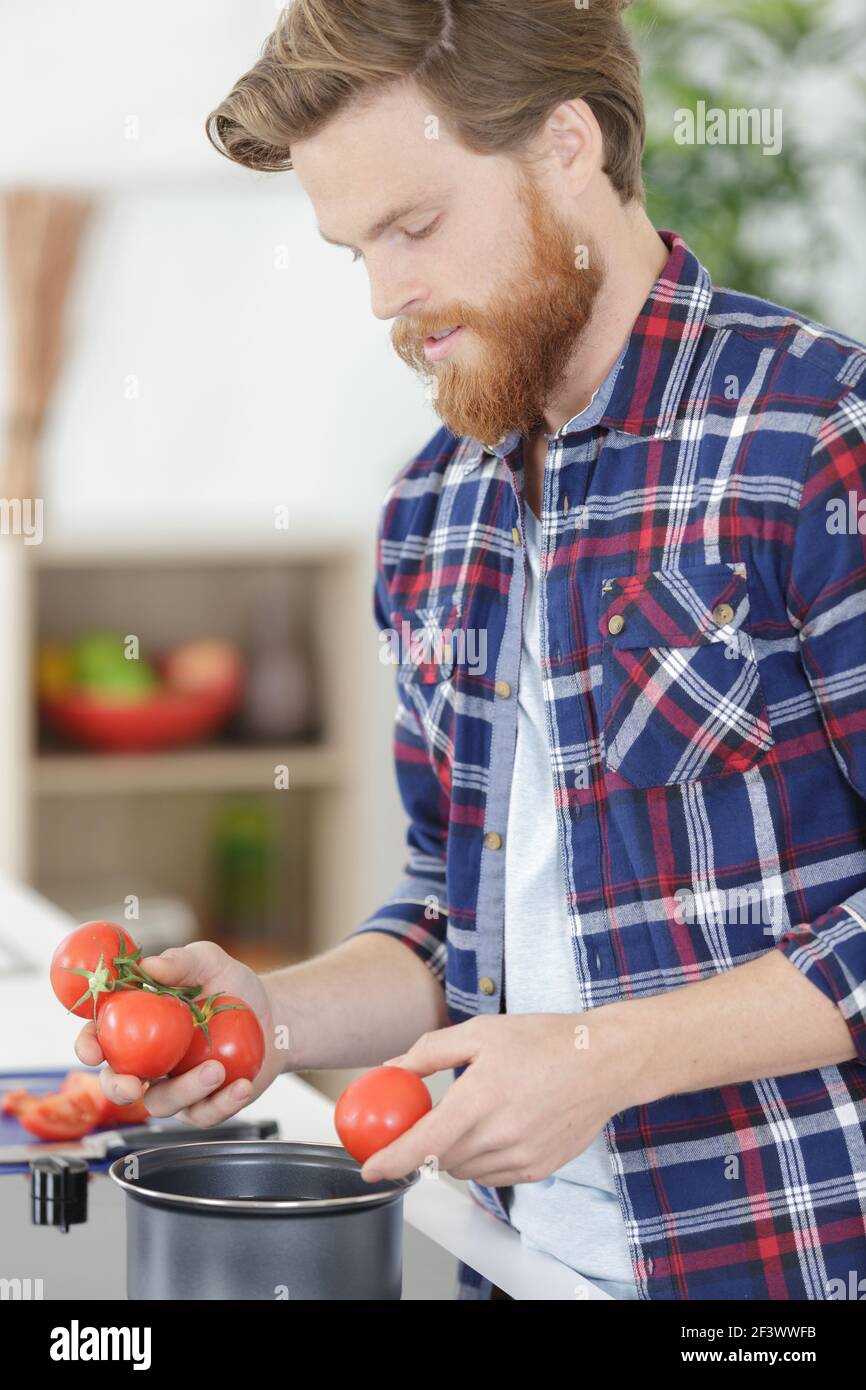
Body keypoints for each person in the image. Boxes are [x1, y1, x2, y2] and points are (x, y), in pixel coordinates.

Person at [76, 0, 866, 1301]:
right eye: (355, 251)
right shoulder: (433, 508)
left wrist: (607, 1055)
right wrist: (275, 1018)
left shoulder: (813, 442)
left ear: (566, 146)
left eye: (416, 223)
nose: (388, 297)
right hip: (505, 1261)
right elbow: (456, 915)